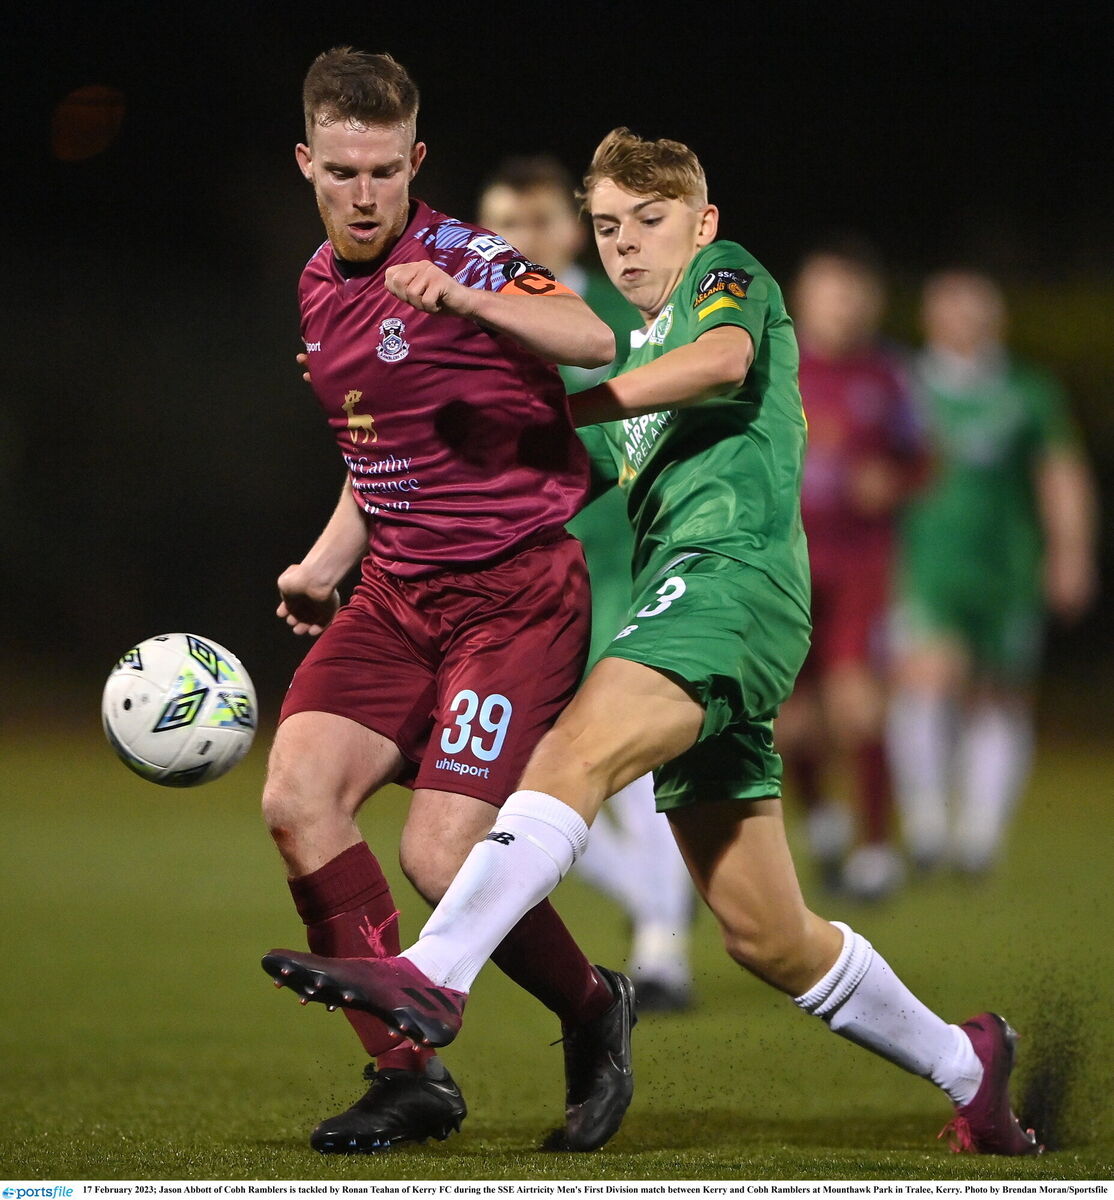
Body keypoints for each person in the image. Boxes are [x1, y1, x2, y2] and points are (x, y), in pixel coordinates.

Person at [265, 128, 1042, 1158]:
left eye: (649, 221)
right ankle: (966, 1063)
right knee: (766, 933)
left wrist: (575, 402)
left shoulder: (726, 282)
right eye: (607, 227)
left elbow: (723, 363)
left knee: (572, 752)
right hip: (692, 613)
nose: (625, 246)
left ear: (702, 221)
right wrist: (346, 542)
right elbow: (482, 468)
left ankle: (435, 973)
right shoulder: (631, 355)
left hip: (733, 587)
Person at [263, 47, 637, 1155]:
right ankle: (408, 1076)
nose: (364, 194)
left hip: (514, 597)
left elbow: (592, 337)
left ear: (415, 160)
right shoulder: (317, 289)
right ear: (308, 163)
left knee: (438, 859)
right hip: (392, 596)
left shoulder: (459, 252)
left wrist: (473, 294)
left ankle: (592, 1008)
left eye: (384, 170)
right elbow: (378, 449)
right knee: (296, 798)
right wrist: (325, 564)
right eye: (342, 171)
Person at [477, 155, 695, 1010]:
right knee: (512, 769)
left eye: (535, 222)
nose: (518, 239)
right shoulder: (475, 323)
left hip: (620, 560)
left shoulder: (616, 316)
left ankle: (666, 947)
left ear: (569, 231)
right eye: (501, 224)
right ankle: (657, 905)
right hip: (513, 570)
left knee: (631, 760)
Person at [887, 270, 1097, 876]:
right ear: (930, 318)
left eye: (976, 310)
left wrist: (1071, 552)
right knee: (926, 679)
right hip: (924, 561)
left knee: (997, 697)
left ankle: (979, 836)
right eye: (950, 310)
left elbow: (1060, 475)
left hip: (1007, 567)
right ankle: (926, 824)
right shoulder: (906, 385)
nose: (963, 321)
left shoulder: (1028, 392)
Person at [776, 243, 926, 900]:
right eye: (827, 291)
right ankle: (826, 820)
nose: (840, 305)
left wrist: (892, 481)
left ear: (870, 302)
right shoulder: (771, 364)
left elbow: (921, 460)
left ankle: (875, 850)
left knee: (857, 702)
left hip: (861, 565)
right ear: (802, 299)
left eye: (850, 292)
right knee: (789, 719)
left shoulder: (889, 375)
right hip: (786, 564)